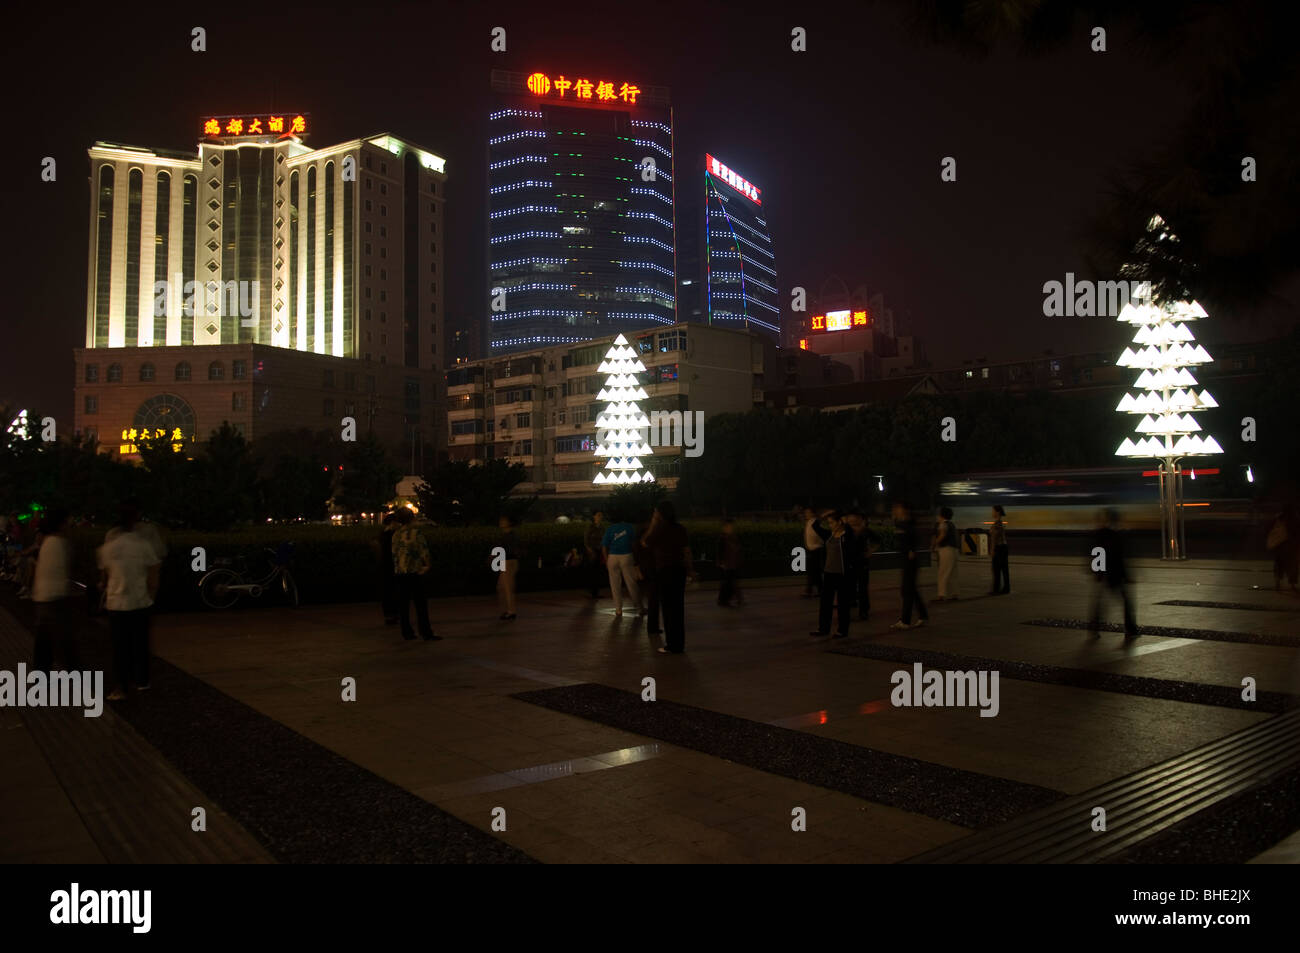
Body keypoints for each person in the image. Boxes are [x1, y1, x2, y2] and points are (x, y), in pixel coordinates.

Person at [97, 501, 162, 699]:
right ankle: (142, 681)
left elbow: (104, 576)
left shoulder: (108, 546)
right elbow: (153, 573)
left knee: (120, 647)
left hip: (116, 603)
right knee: (140, 644)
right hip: (140, 601)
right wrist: (151, 595)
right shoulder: (143, 545)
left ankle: (121, 686)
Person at [32, 508, 79, 675]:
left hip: (43, 596)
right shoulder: (59, 543)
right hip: (55, 599)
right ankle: (75, 673)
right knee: (64, 640)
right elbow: (64, 571)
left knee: (44, 641)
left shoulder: (48, 541)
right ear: (61, 524)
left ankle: (41, 674)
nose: (69, 526)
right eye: (67, 522)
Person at [644, 501, 694, 654]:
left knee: (668, 608)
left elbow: (645, 542)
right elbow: (686, 551)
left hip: (665, 571)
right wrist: (690, 570)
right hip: (679, 571)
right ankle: (679, 644)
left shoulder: (659, 529)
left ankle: (671, 644)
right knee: (678, 608)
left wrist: (653, 524)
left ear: (660, 514)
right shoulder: (680, 529)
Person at [392, 507, 440, 641]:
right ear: (412, 518)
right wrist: (427, 566)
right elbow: (423, 551)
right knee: (421, 604)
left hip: (400, 572)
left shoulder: (396, 534)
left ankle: (406, 632)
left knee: (404, 605)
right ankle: (425, 632)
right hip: (415, 572)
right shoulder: (416, 533)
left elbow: (395, 554)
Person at [1089, 508, 1137, 639]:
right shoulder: (1116, 534)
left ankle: (1094, 629)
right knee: (1126, 602)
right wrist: (1126, 576)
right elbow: (1119, 557)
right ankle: (1130, 630)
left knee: (1100, 602)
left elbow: (1097, 552)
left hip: (1105, 572)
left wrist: (1098, 572)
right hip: (1114, 573)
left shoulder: (1100, 533)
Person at [809, 510, 856, 638]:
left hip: (842, 574)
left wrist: (844, 523)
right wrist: (823, 515)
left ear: (839, 522)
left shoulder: (847, 535)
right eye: (828, 523)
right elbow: (815, 526)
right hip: (829, 573)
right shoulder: (829, 535)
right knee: (825, 603)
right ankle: (823, 628)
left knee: (842, 604)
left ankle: (842, 630)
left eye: (831, 522)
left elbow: (850, 532)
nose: (830, 525)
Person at [890, 501, 929, 630]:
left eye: (898, 508)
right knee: (911, 589)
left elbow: (915, 537)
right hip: (905, 558)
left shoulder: (909, 523)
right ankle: (923, 615)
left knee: (907, 590)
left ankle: (905, 621)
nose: (895, 510)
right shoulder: (900, 523)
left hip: (910, 559)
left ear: (904, 510)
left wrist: (912, 549)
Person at [601, 513, 640, 617]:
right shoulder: (629, 527)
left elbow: (604, 546)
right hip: (626, 556)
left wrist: (606, 560)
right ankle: (639, 607)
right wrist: (636, 557)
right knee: (631, 583)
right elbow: (634, 544)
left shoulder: (610, 529)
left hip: (612, 557)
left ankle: (618, 609)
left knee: (614, 585)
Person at [844, 511, 879, 620]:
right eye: (849, 517)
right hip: (849, 562)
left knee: (863, 587)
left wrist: (870, 551)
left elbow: (877, 540)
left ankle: (864, 611)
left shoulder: (865, 530)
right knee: (850, 585)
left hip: (862, 562)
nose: (850, 519)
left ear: (859, 518)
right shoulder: (846, 530)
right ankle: (851, 603)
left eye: (852, 516)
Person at [495, 514, 523, 621]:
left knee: (507, 588)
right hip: (505, 561)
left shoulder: (510, 535)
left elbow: (512, 549)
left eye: (503, 520)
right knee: (501, 587)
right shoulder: (507, 535)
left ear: (509, 523)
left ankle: (511, 611)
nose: (501, 522)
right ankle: (507, 610)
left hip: (509, 562)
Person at [1266, 504, 1300, 593]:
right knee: (1292, 565)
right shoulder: (1294, 519)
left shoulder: (1277, 518)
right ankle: (1292, 584)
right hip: (1290, 545)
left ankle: (1278, 581)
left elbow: (1268, 529)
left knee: (1279, 564)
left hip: (1278, 545)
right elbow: (1296, 533)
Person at [634, 518, 658, 630]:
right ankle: (652, 625)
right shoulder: (648, 540)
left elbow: (636, 558)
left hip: (644, 568)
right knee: (652, 596)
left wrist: (638, 570)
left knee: (647, 594)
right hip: (650, 568)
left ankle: (642, 610)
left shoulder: (638, 542)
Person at [932, 506, 960, 600]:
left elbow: (942, 535)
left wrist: (934, 544)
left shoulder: (943, 524)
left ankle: (941, 595)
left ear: (941, 515)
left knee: (943, 572)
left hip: (946, 549)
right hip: (954, 550)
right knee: (953, 572)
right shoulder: (951, 524)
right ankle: (955, 593)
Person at [378, 512, 399, 624]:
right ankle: (393, 613)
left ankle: (389, 614)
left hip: (385, 566)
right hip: (392, 566)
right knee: (393, 590)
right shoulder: (393, 535)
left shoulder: (382, 534)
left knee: (387, 591)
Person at [717, 520, 743, 608]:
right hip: (727, 565)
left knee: (729, 583)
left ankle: (724, 600)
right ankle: (725, 600)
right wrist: (721, 563)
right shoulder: (723, 538)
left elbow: (737, 550)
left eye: (730, 527)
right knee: (729, 583)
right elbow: (720, 552)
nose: (730, 528)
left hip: (732, 564)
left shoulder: (733, 538)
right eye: (728, 527)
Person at [801, 506, 824, 598]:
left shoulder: (815, 522)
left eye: (808, 512)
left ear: (813, 513)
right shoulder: (808, 522)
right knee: (815, 571)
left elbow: (819, 535)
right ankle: (819, 590)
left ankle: (809, 590)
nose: (806, 514)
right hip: (811, 549)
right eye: (806, 512)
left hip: (816, 549)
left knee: (812, 570)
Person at [584, 511, 606, 599]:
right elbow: (586, 539)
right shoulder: (590, 527)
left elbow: (604, 538)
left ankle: (595, 592)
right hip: (592, 551)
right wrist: (590, 550)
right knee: (592, 571)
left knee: (597, 571)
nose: (600, 517)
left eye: (601, 515)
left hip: (599, 550)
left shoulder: (602, 527)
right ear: (594, 517)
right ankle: (592, 591)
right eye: (598, 515)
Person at [989, 505, 1010, 594]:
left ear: (997, 512)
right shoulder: (1000, 523)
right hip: (1004, 547)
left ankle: (996, 589)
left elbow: (994, 538)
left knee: (996, 569)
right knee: (1004, 569)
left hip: (999, 548)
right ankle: (1006, 588)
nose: (992, 513)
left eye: (993, 511)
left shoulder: (996, 524)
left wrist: (992, 550)